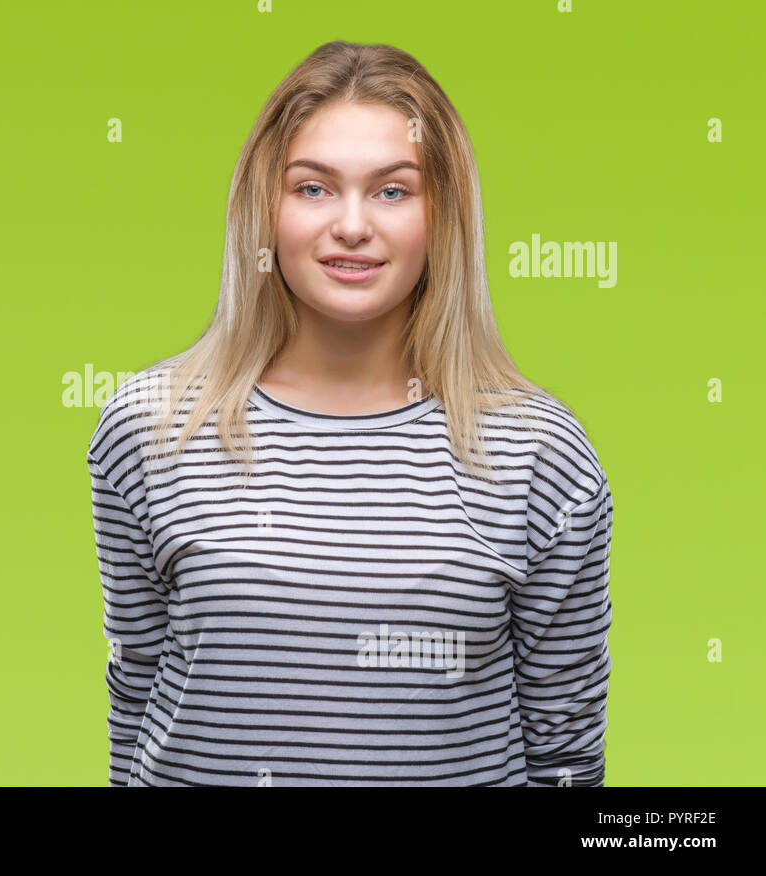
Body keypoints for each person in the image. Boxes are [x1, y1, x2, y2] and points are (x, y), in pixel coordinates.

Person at [87, 41, 613, 787]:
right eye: (313, 189)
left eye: (393, 191)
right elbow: (135, 695)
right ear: (264, 208)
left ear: (445, 219)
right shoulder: (150, 427)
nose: (353, 225)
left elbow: (565, 754)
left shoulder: (538, 453)